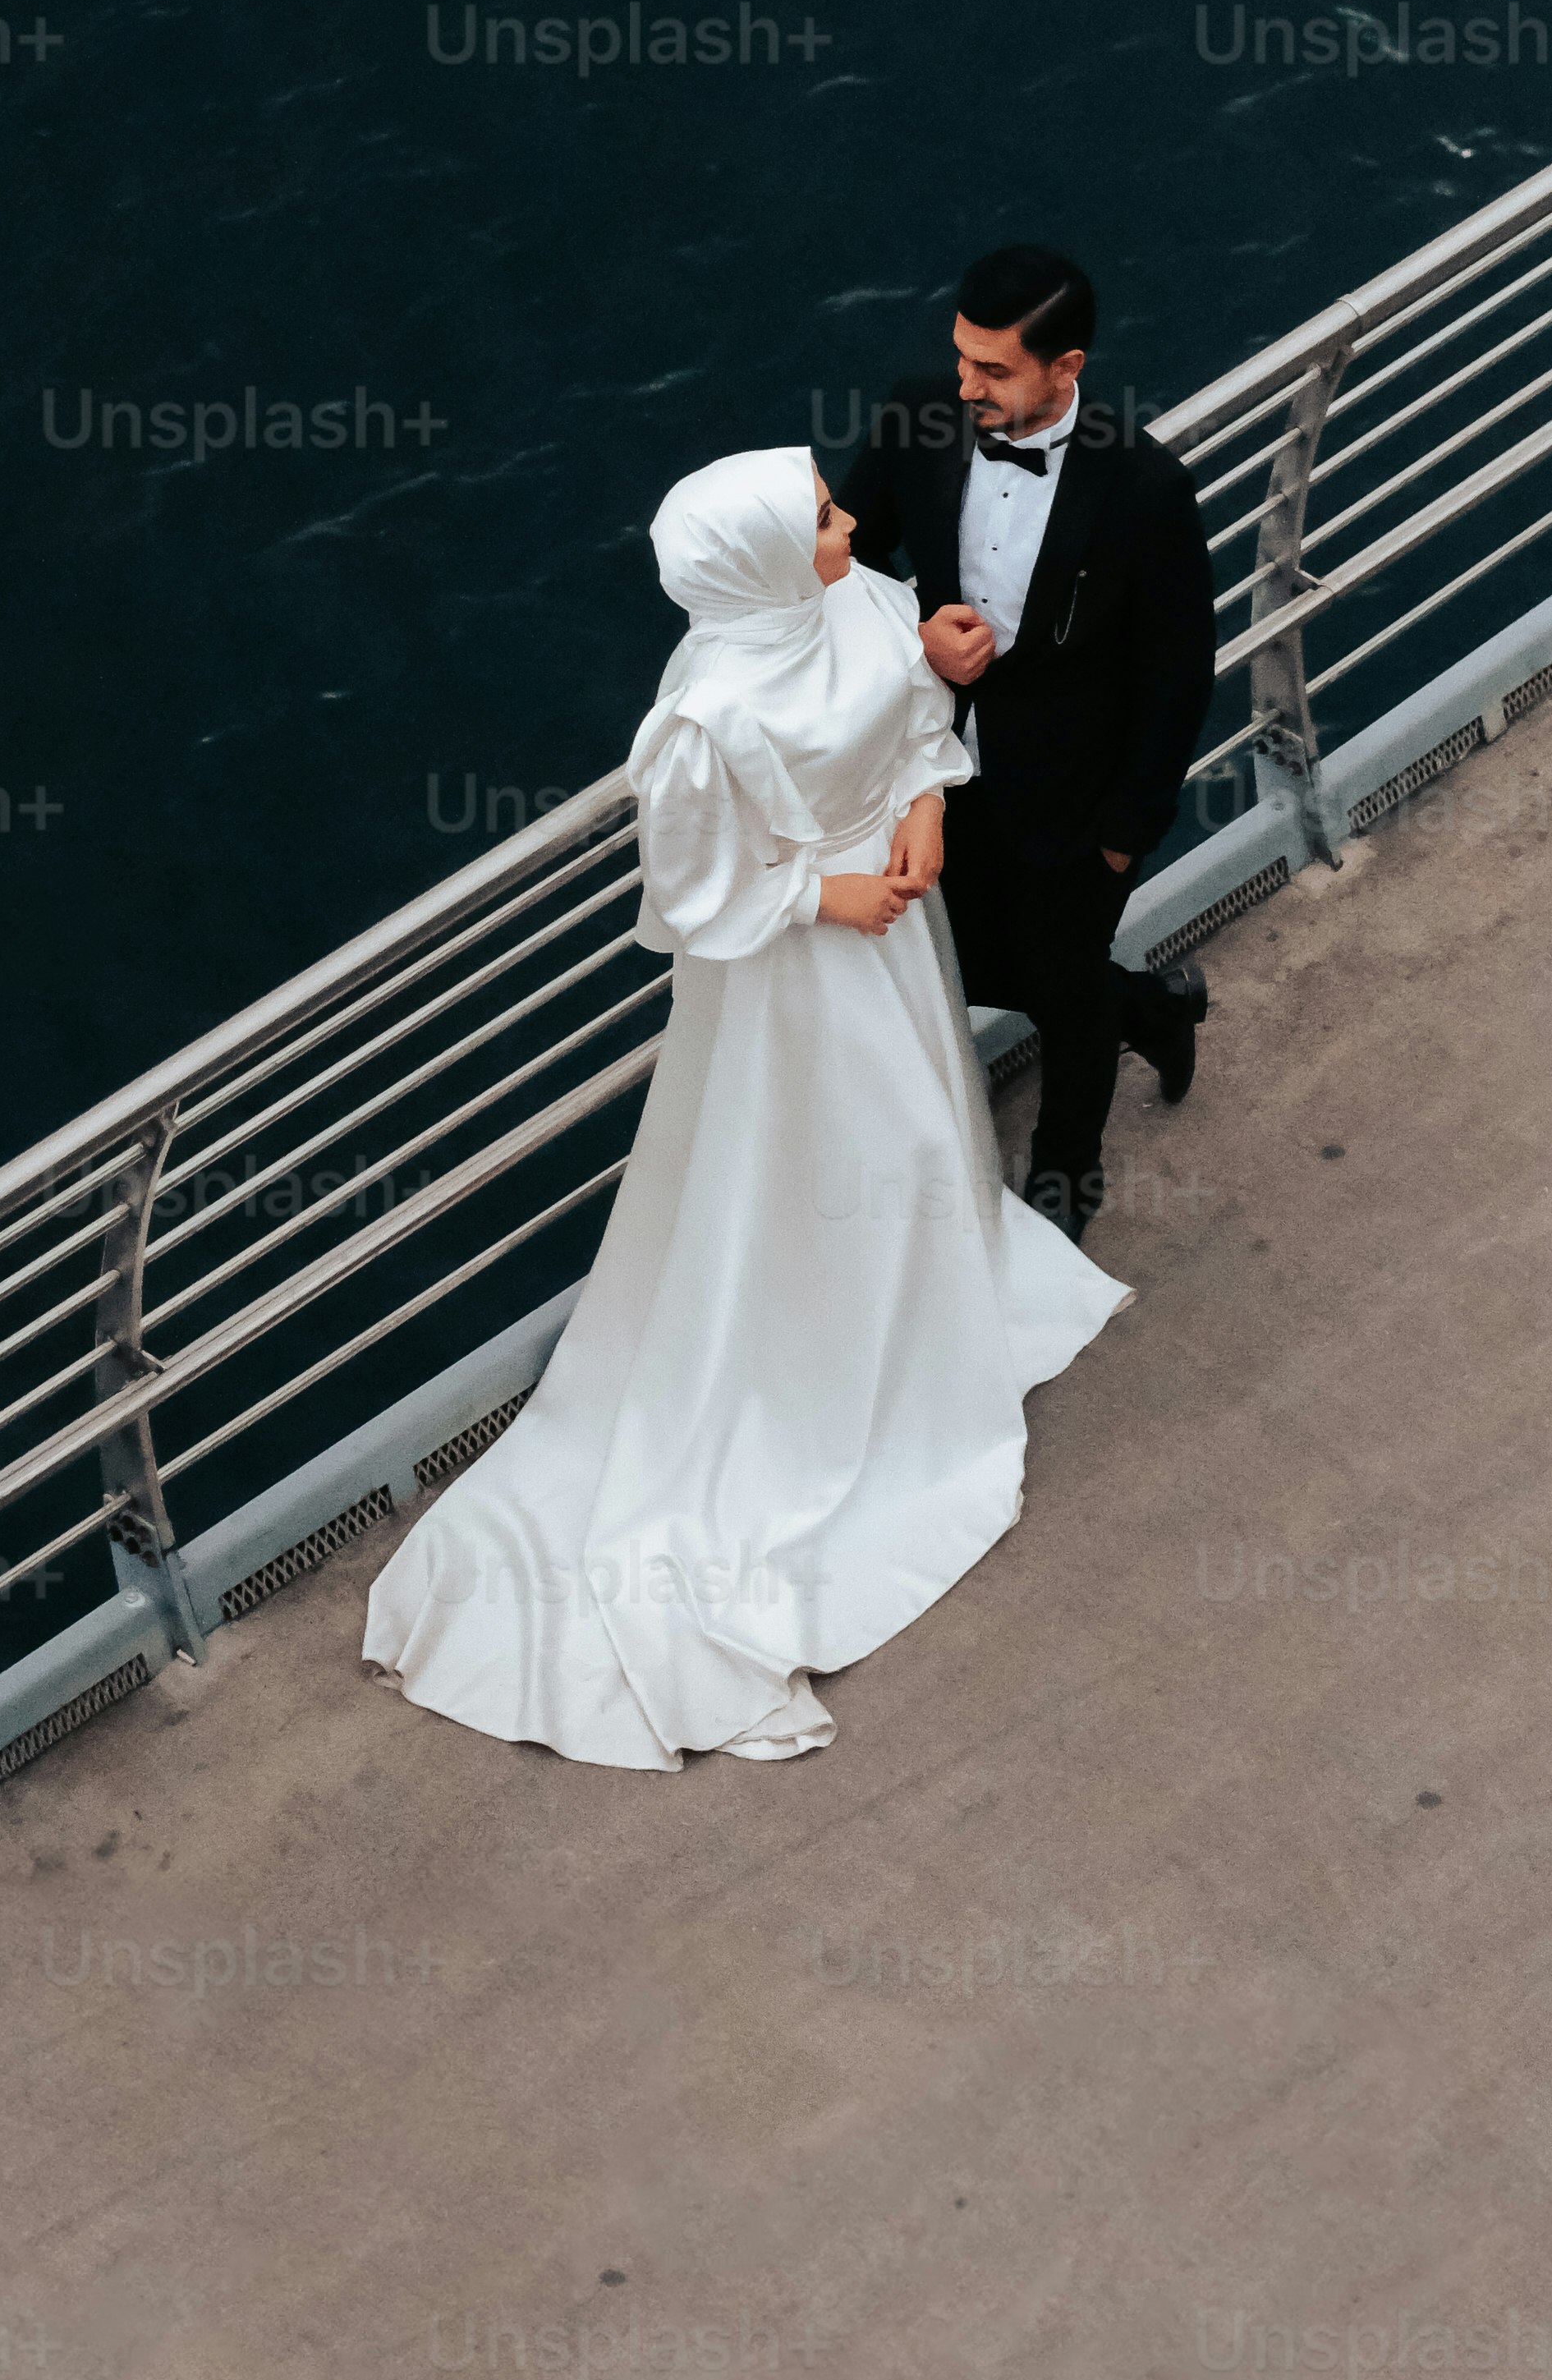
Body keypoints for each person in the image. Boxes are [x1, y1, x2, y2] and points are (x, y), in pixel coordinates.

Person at [361, 448, 1124, 1769]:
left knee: (917, 1127)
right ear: (758, 559)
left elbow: (910, 728)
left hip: (893, 932)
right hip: (805, 979)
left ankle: (920, 1308)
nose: (846, 525)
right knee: (836, 1154)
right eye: (822, 517)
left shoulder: (854, 599)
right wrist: (827, 897)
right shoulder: (706, 715)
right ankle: (840, 1365)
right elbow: (692, 894)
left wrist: (926, 818)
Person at [848, 242, 1218, 1243]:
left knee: (1060, 996)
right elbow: (842, 553)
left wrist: (1124, 830)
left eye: (993, 370)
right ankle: (1147, 1010)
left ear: (1068, 369)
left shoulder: (1143, 489)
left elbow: (1177, 670)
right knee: (963, 967)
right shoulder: (918, 413)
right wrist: (911, 635)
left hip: (1073, 800)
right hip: (931, 776)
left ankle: (1065, 1176)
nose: (964, 386)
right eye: (961, 359)